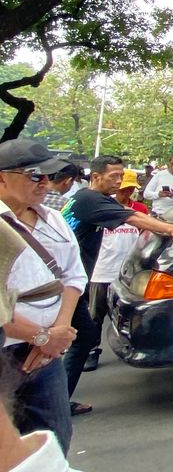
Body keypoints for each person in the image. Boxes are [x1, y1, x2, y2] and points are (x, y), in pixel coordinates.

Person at [61, 155, 173, 415]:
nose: (119, 181)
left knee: (76, 335)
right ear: (95, 177)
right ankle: (53, 401)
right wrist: (172, 229)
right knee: (78, 335)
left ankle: (52, 398)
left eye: (122, 177)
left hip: (69, 279)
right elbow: (134, 219)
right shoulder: (92, 200)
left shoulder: (83, 199)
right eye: (114, 177)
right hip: (64, 282)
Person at [0, 140, 83, 451]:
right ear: (2, 177)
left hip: (48, 352)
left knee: (54, 437)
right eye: (35, 175)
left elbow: (73, 276)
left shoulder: (55, 220)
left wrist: (57, 334)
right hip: (8, 347)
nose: (45, 183)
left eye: (49, 175)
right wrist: (42, 336)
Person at [81, 169, 148, 372]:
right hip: (102, 270)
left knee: (126, 314)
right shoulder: (101, 209)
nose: (126, 193)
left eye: (130, 189)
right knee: (95, 315)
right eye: (123, 189)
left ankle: (128, 345)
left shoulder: (140, 210)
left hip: (127, 272)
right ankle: (91, 350)